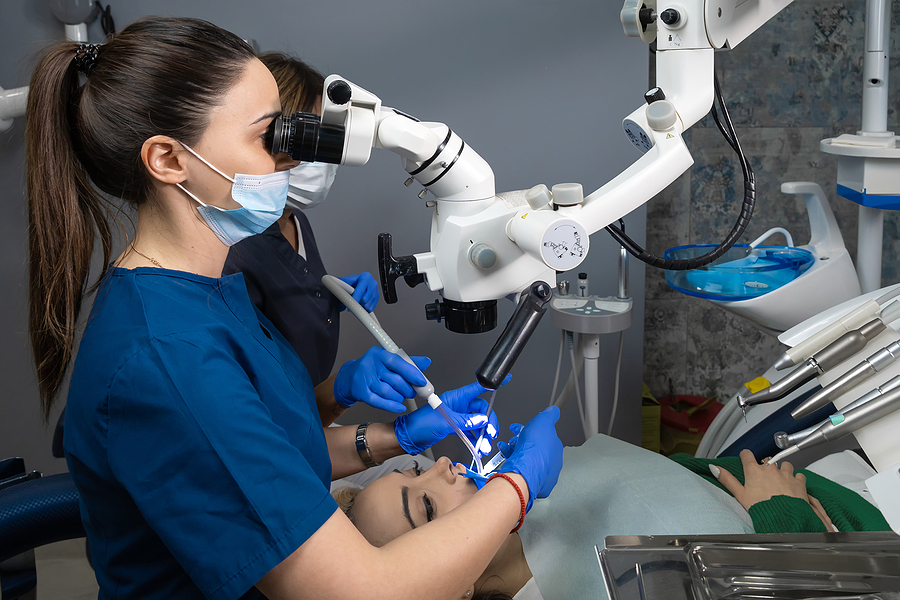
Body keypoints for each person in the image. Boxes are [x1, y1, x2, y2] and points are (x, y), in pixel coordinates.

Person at [26, 16, 564, 599]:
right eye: (269, 136)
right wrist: (516, 488)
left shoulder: (208, 294)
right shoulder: (165, 358)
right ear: (168, 160)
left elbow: (270, 461)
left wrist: (398, 436)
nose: (291, 158)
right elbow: (362, 593)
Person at [339, 436, 891, 600]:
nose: (439, 467)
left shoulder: (534, 502)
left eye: (411, 471)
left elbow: (656, 480)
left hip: (837, 487)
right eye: (426, 504)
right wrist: (786, 528)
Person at [223, 52, 400, 425]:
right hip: (286, 434)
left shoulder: (294, 219)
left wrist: (327, 297)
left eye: (327, 139)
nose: (322, 158)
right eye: (309, 137)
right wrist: (342, 388)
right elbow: (259, 421)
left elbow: (287, 299)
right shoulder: (230, 252)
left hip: (309, 424)